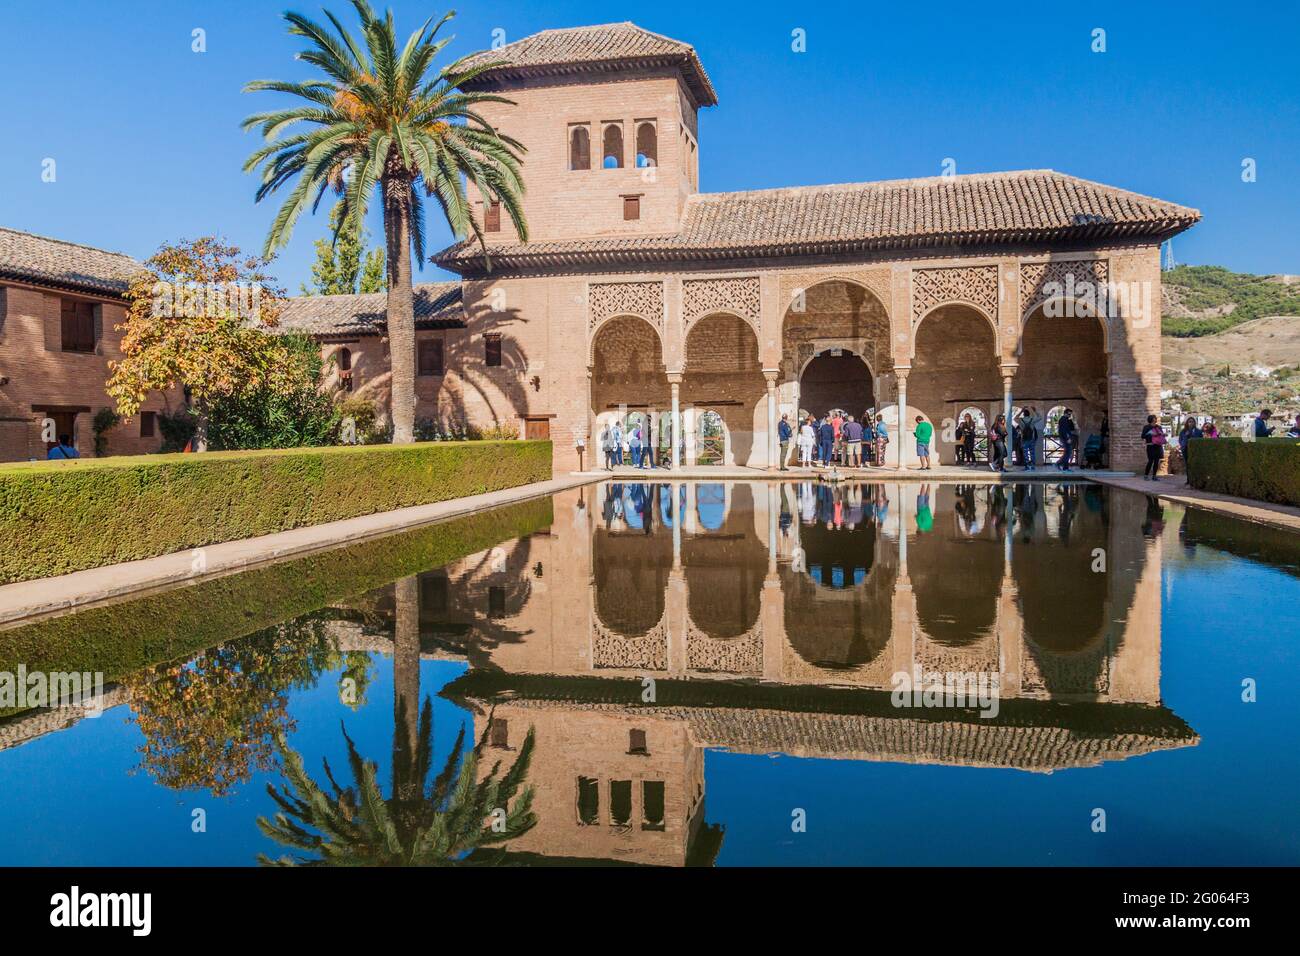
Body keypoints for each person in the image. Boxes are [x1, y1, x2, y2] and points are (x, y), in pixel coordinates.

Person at [1141, 414, 1166, 480]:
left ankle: (1154, 476)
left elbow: (1161, 435)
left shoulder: (1158, 427)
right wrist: (1151, 434)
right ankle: (1146, 475)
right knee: (1150, 461)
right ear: (1151, 419)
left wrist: (1163, 434)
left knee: (1156, 461)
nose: (1155, 419)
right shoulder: (1146, 427)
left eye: (1155, 418)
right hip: (1150, 445)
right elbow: (1143, 436)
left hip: (1158, 445)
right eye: (1154, 418)